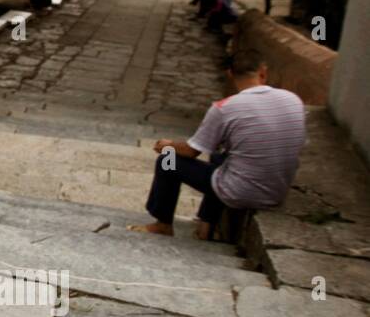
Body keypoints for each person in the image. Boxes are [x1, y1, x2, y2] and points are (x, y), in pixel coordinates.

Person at [128, 49, 305, 240]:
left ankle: (162, 224)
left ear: (230, 74)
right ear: (263, 72)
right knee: (219, 157)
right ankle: (206, 225)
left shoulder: (225, 107)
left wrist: (168, 146)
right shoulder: (293, 100)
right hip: (276, 192)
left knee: (168, 161)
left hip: (240, 192)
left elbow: (191, 151)